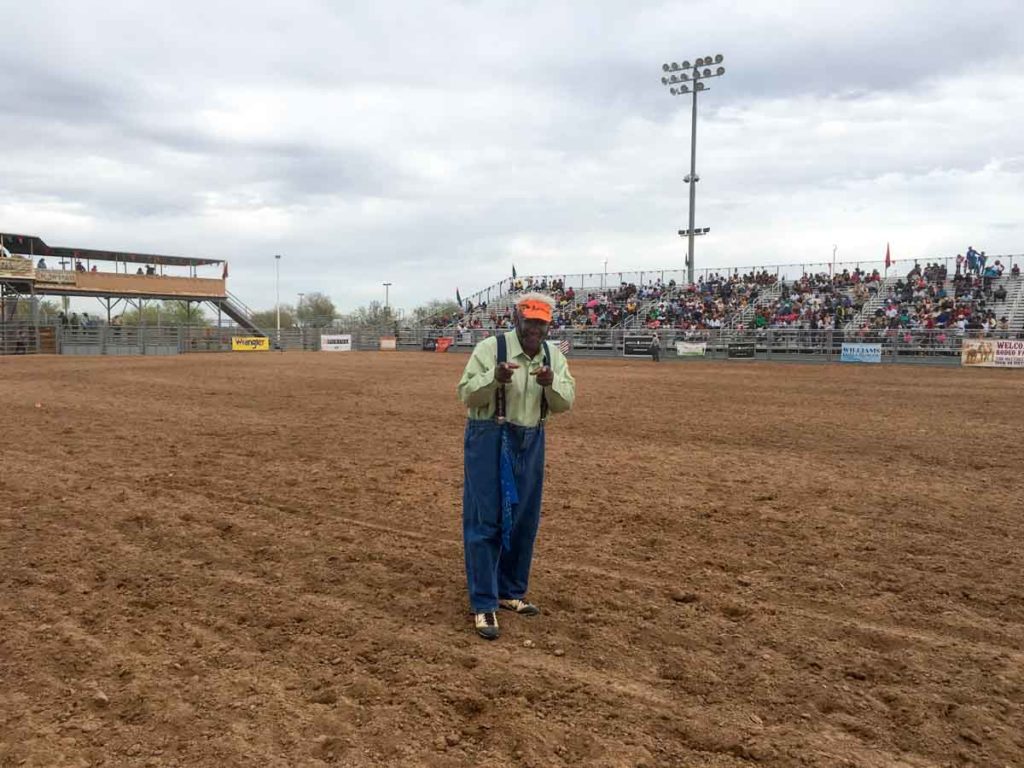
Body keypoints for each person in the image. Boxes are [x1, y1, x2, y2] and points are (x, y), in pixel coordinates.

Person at [457, 292, 575, 640]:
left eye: (541, 322)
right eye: (530, 320)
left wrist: (550, 385)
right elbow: (466, 394)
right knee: (487, 518)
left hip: (532, 437)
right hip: (489, 436)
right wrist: (493, 378)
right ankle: (484, 602)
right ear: (516, 317)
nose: (535, 329)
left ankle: (511, 590)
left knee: (524, 517)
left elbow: (566, 402)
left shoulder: (554, 356)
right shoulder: (490, 350)